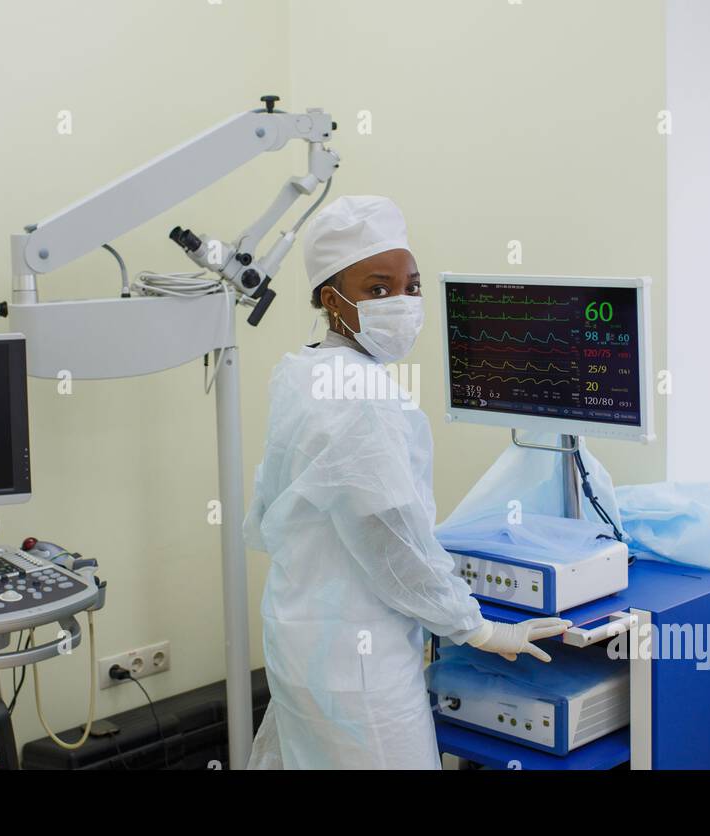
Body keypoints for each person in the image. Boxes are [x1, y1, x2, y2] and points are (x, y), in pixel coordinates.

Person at [243, 195, 569, 769]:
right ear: (330, 299)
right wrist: (478, 628)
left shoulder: (303, 372)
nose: (401, 302)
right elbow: (392, 538)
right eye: (376, 288)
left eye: (410, 286)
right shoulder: (360, 397)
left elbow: (268, 514)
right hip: (357, 660)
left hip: (302, 633)